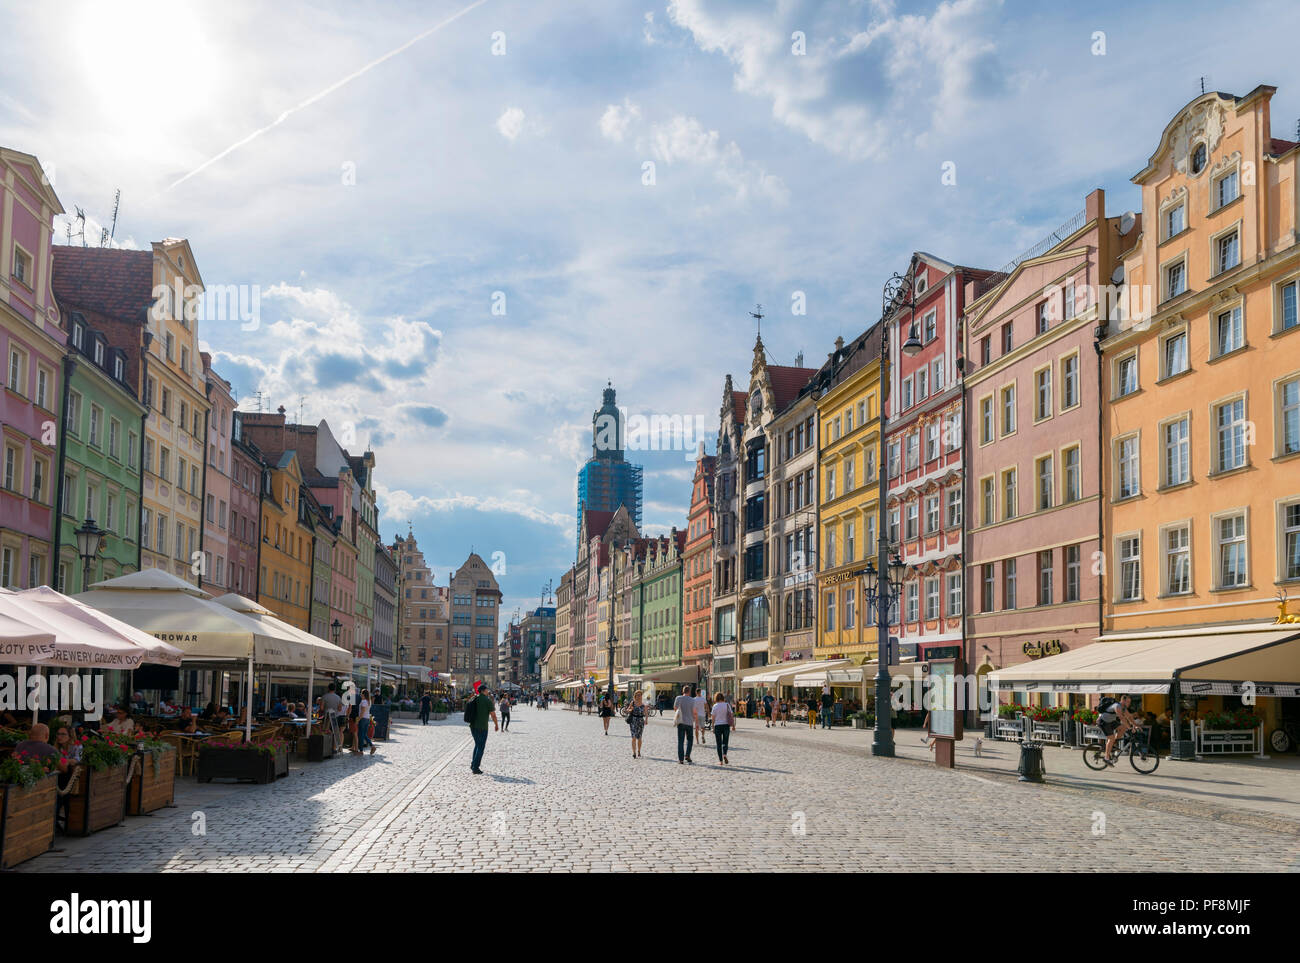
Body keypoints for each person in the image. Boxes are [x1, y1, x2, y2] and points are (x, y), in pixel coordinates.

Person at [466, 681, 499, 774]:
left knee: (477, 745)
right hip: (482, 727)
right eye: (487, 689)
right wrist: (496, 725)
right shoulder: (487, 700)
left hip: (473, 726)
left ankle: (473, 764)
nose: (488, 691)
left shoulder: (474, 698)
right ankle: (475, 767)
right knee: (480, 747)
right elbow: (493, 715)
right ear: (484, 691)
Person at [1099, 694, 1137, 764]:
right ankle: (1106, 758)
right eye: (1128, 702)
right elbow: (1122, 718)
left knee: (1123, 728)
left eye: (1130, 702)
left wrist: (1136, 725)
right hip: (1103, 722)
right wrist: (1130, 728)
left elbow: (1129, 717)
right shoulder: (1117, 706)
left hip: (1111, 721)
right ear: (1123, 700)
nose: (1129, 704)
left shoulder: (1123, 708)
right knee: (1111, 738)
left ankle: (1113, 744)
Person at [673, 684, 697, 764]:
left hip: (681, 722)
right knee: (690, 739)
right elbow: (694, 712)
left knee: (681, 741)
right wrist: (695, 720)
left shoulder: (678, 698)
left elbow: (675, 708)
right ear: (689, 692)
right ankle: (687, 755)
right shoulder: (692, 700)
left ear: (683, 691)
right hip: (689, 722)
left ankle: (681, 759)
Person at [710, 692, 735, 765]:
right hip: (726, 725)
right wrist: (733, 725)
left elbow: (713, 717)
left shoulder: (715, 706)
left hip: (718, 725)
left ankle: (720, 761)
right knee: (725, 742)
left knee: (718, 743)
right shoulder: (727, 705)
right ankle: (724, 754)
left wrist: (712, 726)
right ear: (723, 698)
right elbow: (731, 715)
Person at [626, 689, 647, 759]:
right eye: (637, 695)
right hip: (633, 721)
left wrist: (646, 720)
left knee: (639, 738)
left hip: (641, 721)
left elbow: (646, 714)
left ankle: (639, 751)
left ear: (641, 696)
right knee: (633, 737)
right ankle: (634, 752)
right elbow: (627, 710)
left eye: (640, 695)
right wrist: (630, 709)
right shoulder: (633, 703)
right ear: (635, 696)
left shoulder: (644, 705)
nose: (638, 696)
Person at [355, 689, 375, 755]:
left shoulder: (363, 701)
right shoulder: (368, 701)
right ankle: (372, 746)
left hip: (362, 719)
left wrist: (358, 719)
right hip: (367, 719)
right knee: (364, 734)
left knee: (360, 735)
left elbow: (362, 712)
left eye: (361, 693)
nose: (360, 694)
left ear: (363, 694)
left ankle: (361, 750)